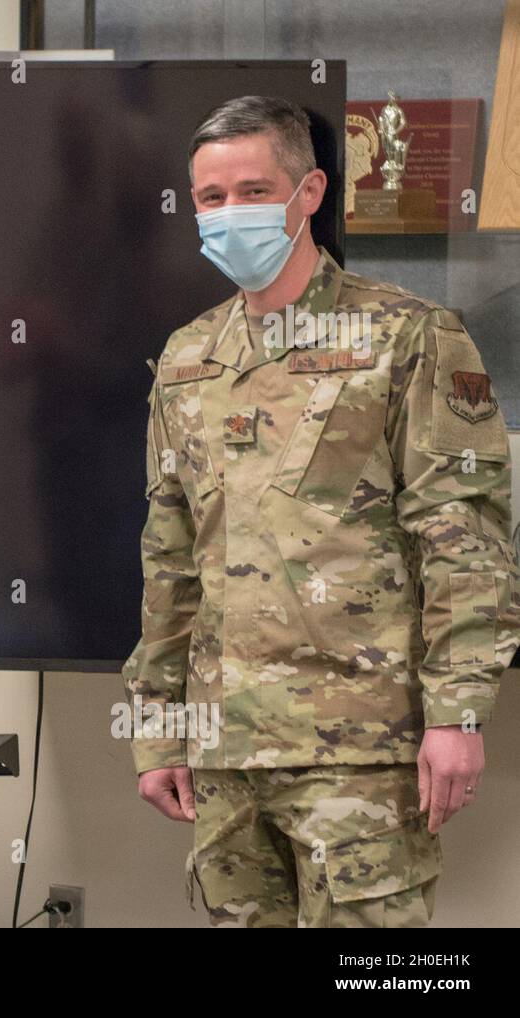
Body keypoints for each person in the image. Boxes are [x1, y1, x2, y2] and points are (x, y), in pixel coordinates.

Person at [122, 96, 520, 927]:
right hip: (225, 752)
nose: (232, 214)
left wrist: (461, 713)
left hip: (363, 754)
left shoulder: (410, 336)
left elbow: (466, 542)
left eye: (253, 190)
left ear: (309, 192)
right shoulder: (188, 358)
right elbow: (171, 561)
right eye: (212, 198)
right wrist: (158, 725)